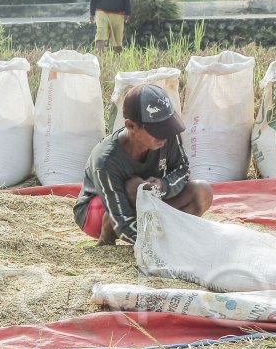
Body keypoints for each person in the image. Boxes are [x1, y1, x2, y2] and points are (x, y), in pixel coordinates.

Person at [74, 84, 213, 246]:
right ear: (131, 126)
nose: (165, 135)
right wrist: (157, 247)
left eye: (167, 126)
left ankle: (169, 233)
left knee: (202, 191)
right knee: (134, 188)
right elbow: (122, 223)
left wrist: (162, 186)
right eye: (157, 130)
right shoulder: (105, 160)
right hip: (100, 211)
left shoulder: (168, 135)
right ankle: (107, 238)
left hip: (148, 202)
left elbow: (182, 170)